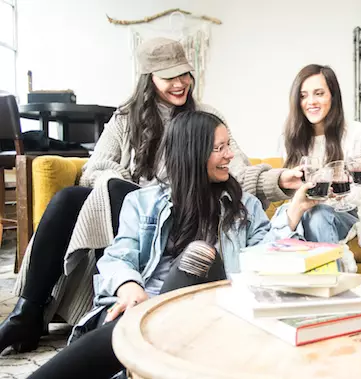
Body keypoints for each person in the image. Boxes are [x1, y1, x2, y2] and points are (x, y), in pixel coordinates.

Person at [1, 37, 302, 354]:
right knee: (70, 198)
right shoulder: (125, 119)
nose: (180, 83)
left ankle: (122, 318)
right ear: (149, 78)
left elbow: (236, 169)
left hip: (186, 213)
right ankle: (28, 311)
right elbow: (96, 168)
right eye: (169, 76)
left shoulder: (205, 119)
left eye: (184, 74)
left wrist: (279, 178)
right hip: (142, 210)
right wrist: (140, 192)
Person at [26, 110, 319, 379]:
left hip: (209, 311)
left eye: (228, 145)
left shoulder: (245, 206)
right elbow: (117, 257)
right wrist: (128, 285)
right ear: (191, 152)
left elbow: (263, 261)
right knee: (131, 322)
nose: (230, 155)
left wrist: (294, 211)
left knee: (200, 255)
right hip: (142, 307)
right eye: (220, 148)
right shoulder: (142, 202)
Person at [278, 64, 361, 252]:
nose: (311, 101)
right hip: (305, 211)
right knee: (302, 217)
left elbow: (360, 190)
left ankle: (330, 275)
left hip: (343, 213)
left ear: (332, 96)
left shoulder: (354, 132)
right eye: (303, 96)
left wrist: (338, 194)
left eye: (319, 93)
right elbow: (291, 194)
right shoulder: (289, 138)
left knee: (318, 215)